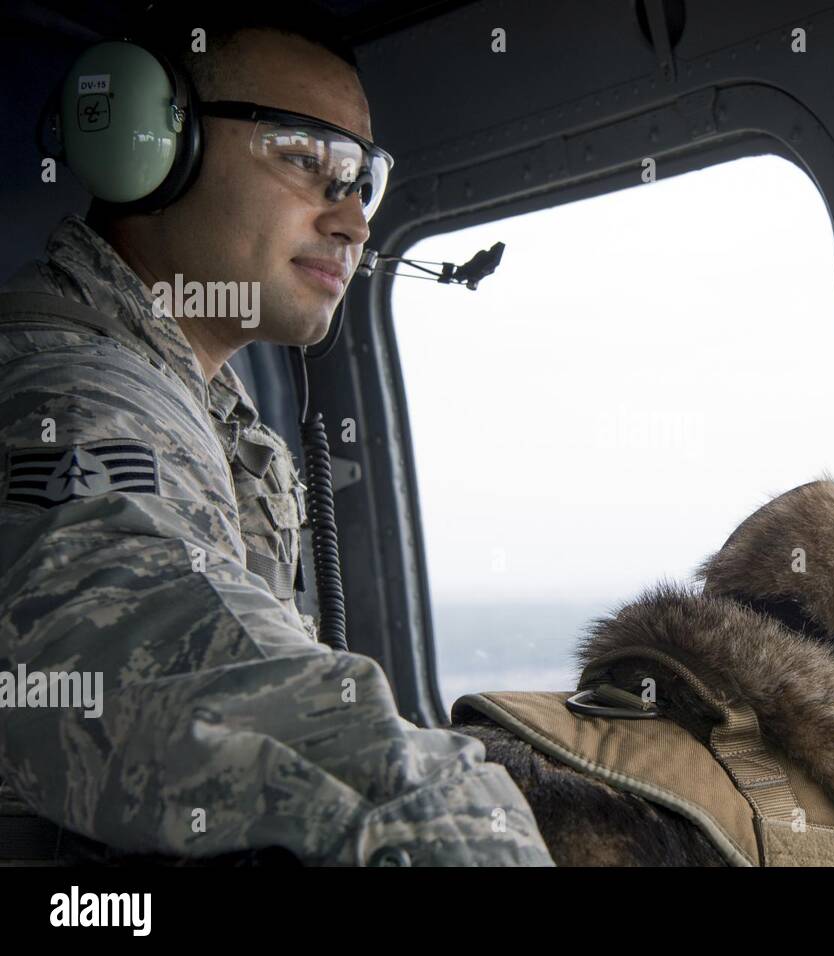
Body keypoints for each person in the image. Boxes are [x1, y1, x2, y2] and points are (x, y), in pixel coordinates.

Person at [0, 4, 554, 866]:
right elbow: (148, 646)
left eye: (362, 178)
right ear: (150, 149)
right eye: (306, 160)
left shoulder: (200, 400)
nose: (355, 223)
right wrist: (448, 821)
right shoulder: (67, 397)